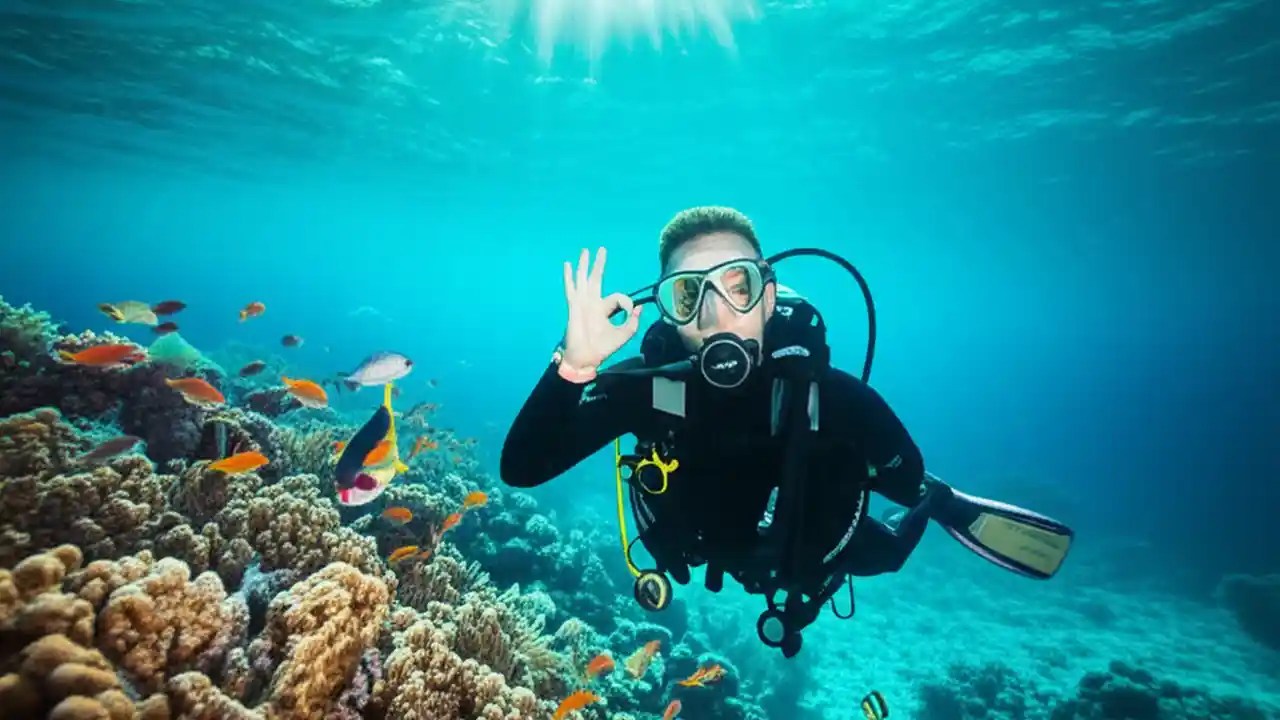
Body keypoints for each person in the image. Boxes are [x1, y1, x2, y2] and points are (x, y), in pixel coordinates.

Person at [500, 206, 1073, 657]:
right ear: (670, 312)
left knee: (893, 547)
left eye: (738, 285)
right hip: (708, 546)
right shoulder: (652, 390)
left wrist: (915, 486)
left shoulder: (834, 398)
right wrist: (572, 368)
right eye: (687, 293)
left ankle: (944, 504)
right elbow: (522, 468)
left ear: (768, 299)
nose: (715, 311)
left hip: (812, 547)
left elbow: (905, 468)